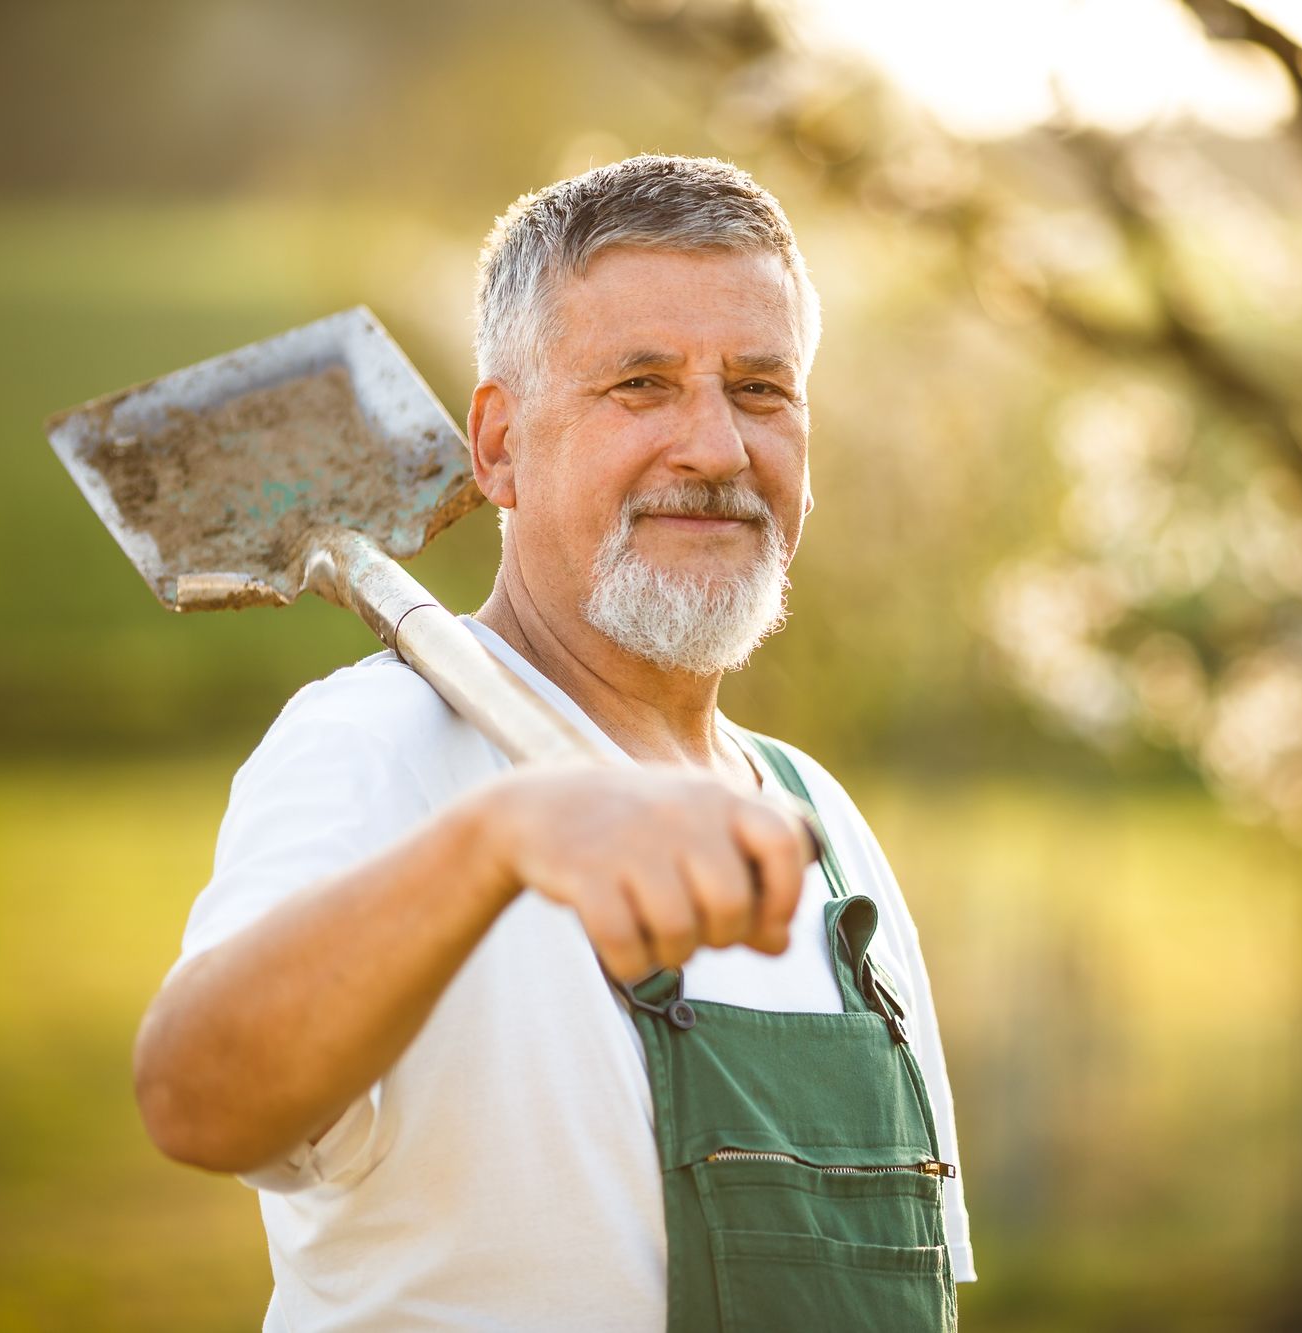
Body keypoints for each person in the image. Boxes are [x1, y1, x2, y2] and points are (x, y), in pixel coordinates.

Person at [132, 154, 975, 1331]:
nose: (717, 448)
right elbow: (193, 1097)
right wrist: (499, 838)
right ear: (498, 445)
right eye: (640, 384)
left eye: (760, 389)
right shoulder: (379, 747)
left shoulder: (822, 833)